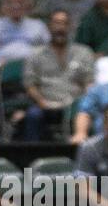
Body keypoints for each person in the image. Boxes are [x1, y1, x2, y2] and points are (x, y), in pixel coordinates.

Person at [23, 10, 95, 141]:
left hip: (75, 104)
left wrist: (84, 102)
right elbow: (30, 84)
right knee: (33, 115)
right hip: (45, 103)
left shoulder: (84, 52)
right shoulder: (36, 54)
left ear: (71, 27)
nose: (60, 28)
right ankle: (32, 157)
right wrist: (42, 102)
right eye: (56, 23)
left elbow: (89, 83)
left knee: (90, 115)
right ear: (49, 26)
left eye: (65, 24)